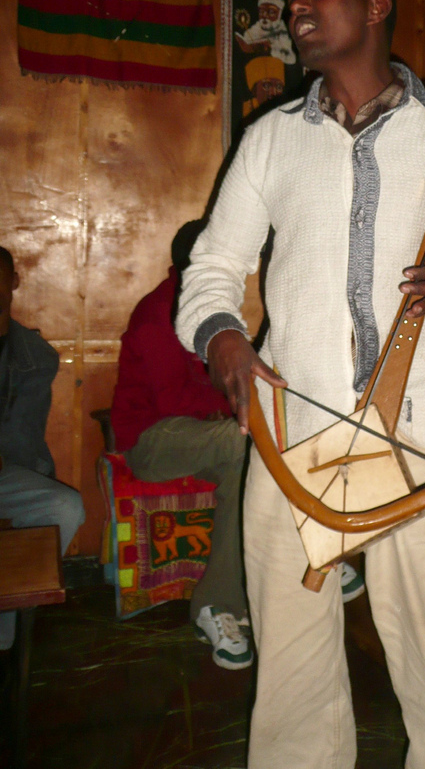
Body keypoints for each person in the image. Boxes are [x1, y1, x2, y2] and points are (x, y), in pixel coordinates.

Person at [175, 0, 425, 768]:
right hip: (291, 428)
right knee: (292, 658)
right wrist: (223, 335)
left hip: (423, 429)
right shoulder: (272, 138)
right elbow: (215, 267)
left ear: (377, 8)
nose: (296, 7)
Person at [111, 221, 254, 670]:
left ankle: (227, 601)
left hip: (195, 436)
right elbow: (172, 400)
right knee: (240, 437)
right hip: (151, 440)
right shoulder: (157, 311)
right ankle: (217, 606)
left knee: (247, 458)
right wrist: (231, 405)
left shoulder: (213, 310)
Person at [0, 246, 85, 650]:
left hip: (7, 473)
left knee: (65, 506)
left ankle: (6, 634)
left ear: (14, 281)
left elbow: (20, 439)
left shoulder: (35, 357)